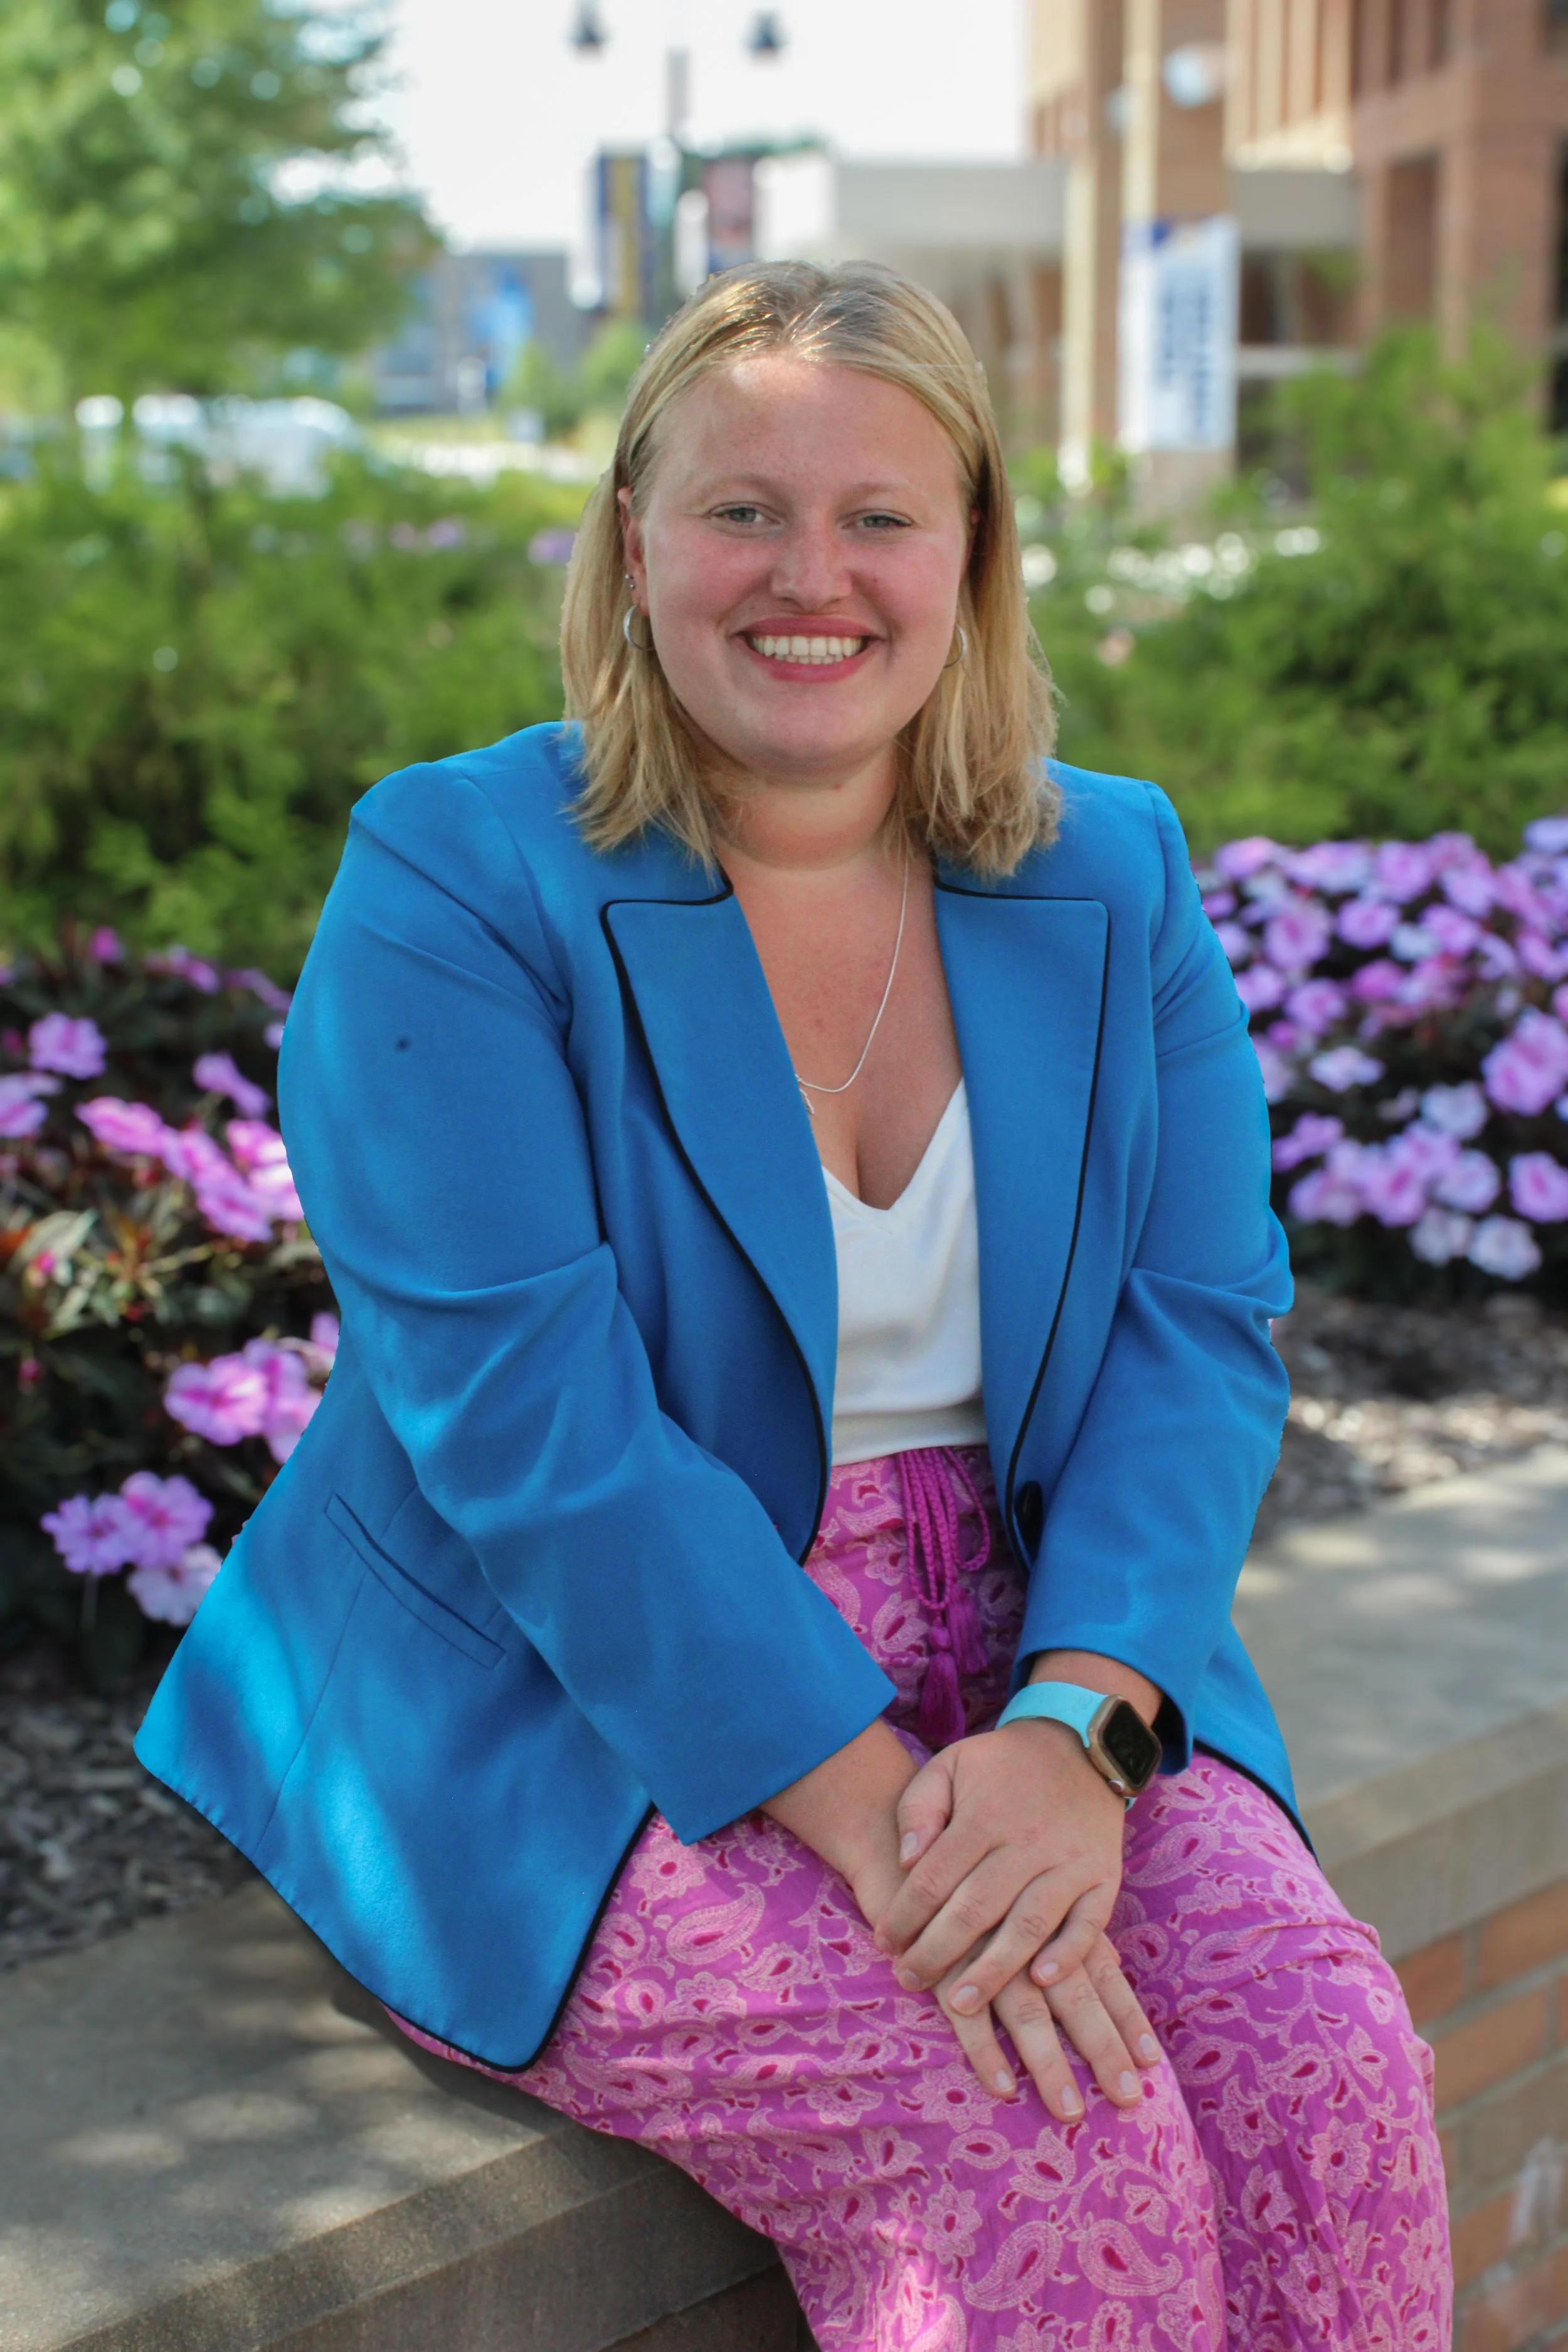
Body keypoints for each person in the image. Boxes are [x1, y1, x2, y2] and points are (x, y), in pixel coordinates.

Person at [137, 262, 1451, 2349]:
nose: (807, 575)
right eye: (741, 508)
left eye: (877, 515)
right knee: (1035, 2152)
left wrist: (1070, 1728)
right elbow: (528, 1428)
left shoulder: (1109, 869)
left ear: (973, 553)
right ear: (635, 537)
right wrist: (900, 1834)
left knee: (1321, 2070)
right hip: (590, 1686)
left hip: (1042, 1638)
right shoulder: (459, 878)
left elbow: (1191, 1329)